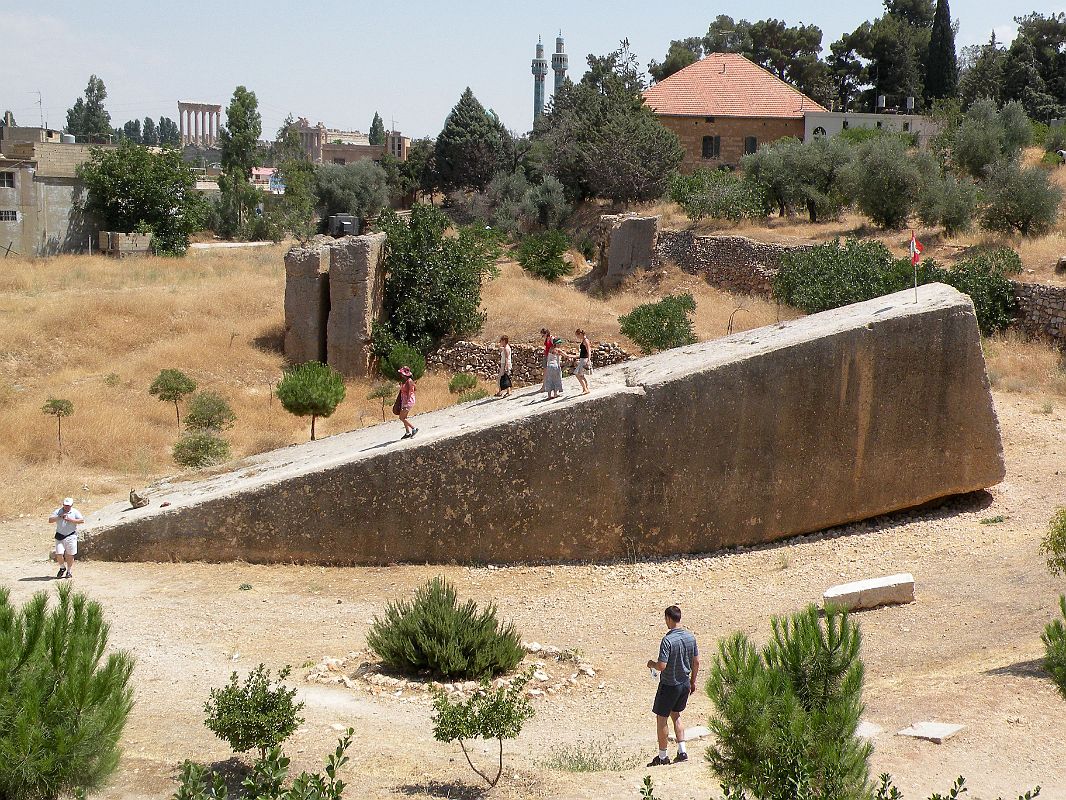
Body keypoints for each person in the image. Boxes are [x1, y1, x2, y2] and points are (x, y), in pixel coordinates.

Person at [646, 605, 699, 766]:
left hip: (669, 685)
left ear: (668, 618)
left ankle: (663, 757)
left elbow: (662, 666)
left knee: (662, 719)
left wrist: (651, 664)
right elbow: (696, 662)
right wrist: (693, 682)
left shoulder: (668, 640)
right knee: (676, 715)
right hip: (684, 683)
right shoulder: (690, 637)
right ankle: (682, 751)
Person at [48, 497, 84, 579]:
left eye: (68, 506)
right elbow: (50, 520)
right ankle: (62, 567)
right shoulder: (58, 511)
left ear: (71, 505)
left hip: (71, 535)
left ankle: (69, 570)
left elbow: (81, 520)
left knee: (70, 554)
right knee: (59, 553)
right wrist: (59, 517)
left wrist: (70, 520)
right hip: (60, 535)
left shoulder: (75, 512)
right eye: (65, 505)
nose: (66, 507)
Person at [397, 366, 418, 439]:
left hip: (408, 401)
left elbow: (409, 393)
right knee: (404, 417)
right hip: (405, 401)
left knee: (401, 417)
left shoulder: (409, 381)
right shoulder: (406, 381)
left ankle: (414, 428)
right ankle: (407, 432)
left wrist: (406, 404)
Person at [574, 329, 592, 395]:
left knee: (578, 374)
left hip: (584, 359)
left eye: (577, 335)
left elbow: (589, 351)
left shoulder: (586, 341)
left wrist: (588, 360)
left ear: (580, 334)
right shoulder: (584, 340)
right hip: (583, 359)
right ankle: (585, 388)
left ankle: (585, 389)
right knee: (581, 375)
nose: (577, 337)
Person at [539, 328, 553, 392]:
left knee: (550, 371)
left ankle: (546, 386)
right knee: (545, 371)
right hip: (546, 355)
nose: (543, 336)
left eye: (543, 335)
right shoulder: (546, 339)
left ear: (546, 333)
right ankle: (544, 386)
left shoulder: (551, 338)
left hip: (550, 356)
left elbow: (554, 347)